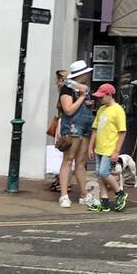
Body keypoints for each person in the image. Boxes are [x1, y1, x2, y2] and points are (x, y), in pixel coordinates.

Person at [56, 61, 95, 209]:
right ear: (80, 74)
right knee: (68, 159)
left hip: (85, 126)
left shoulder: (83, 88)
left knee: (80, 161)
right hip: (72, 127)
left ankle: (84, 194)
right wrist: (81, 98)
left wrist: (88, 102)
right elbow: (69, 110)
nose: (87, 75)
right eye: (85, 73)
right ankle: (64, 195)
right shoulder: (67, 89)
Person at [87, 84, 128, 212]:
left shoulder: (118, 110)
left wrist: (116, 151)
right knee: (100, 174)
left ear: (109, 95)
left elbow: (122, 132)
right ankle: (104, 200)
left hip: (109, 148)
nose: (100, 100)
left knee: (104, 172)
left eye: (102, 97)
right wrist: (90, 147)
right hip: (100, 147)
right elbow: (94, 129)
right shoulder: (101, 110)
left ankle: (120, 193)